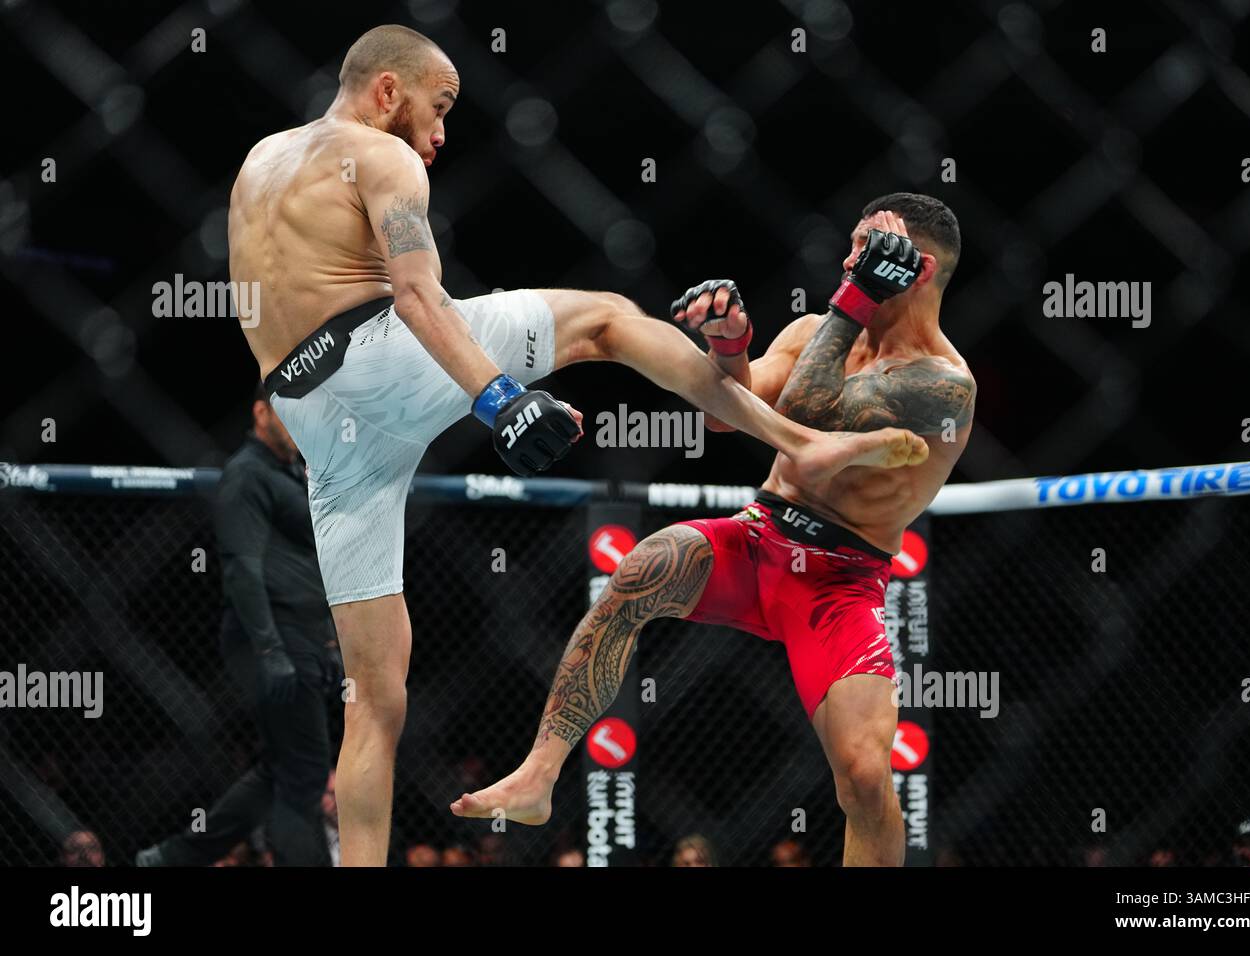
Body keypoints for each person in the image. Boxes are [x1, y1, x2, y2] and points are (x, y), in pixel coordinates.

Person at [228, 24, 922, 866]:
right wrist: (499, 399)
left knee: (374, 696)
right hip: (376, 352)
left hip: (309, 411)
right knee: (604, 321)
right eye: (438, 107)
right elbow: (415, 294)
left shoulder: (259, 162)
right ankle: (795, 440)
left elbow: (260, 316)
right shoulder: (384, 157)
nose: (443, 132)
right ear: (386, 91)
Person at [452, 196, 975, 868]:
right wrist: (729, 347)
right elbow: (735, 412)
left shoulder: (945, 384)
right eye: (851, 246)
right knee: (643, 567)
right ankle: (538, 775)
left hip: (841, 582)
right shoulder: (819, 328)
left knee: (867, 777)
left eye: (869, 249)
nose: (849, 262)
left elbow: (812, 409)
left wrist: (851, 304)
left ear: (919, 267)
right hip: (759, 538)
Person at [136, 387, 341, 867]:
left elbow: (311, 565)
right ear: (260, 412)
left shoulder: (292, 477)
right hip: (271, 636)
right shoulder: (246, 475)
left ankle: (173, 858)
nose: (300, 426)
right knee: (306, 773)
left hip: (301, 636)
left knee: (282, 768)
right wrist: (272, 653)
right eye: (290, 415)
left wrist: (329, 643)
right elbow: (241, 569)